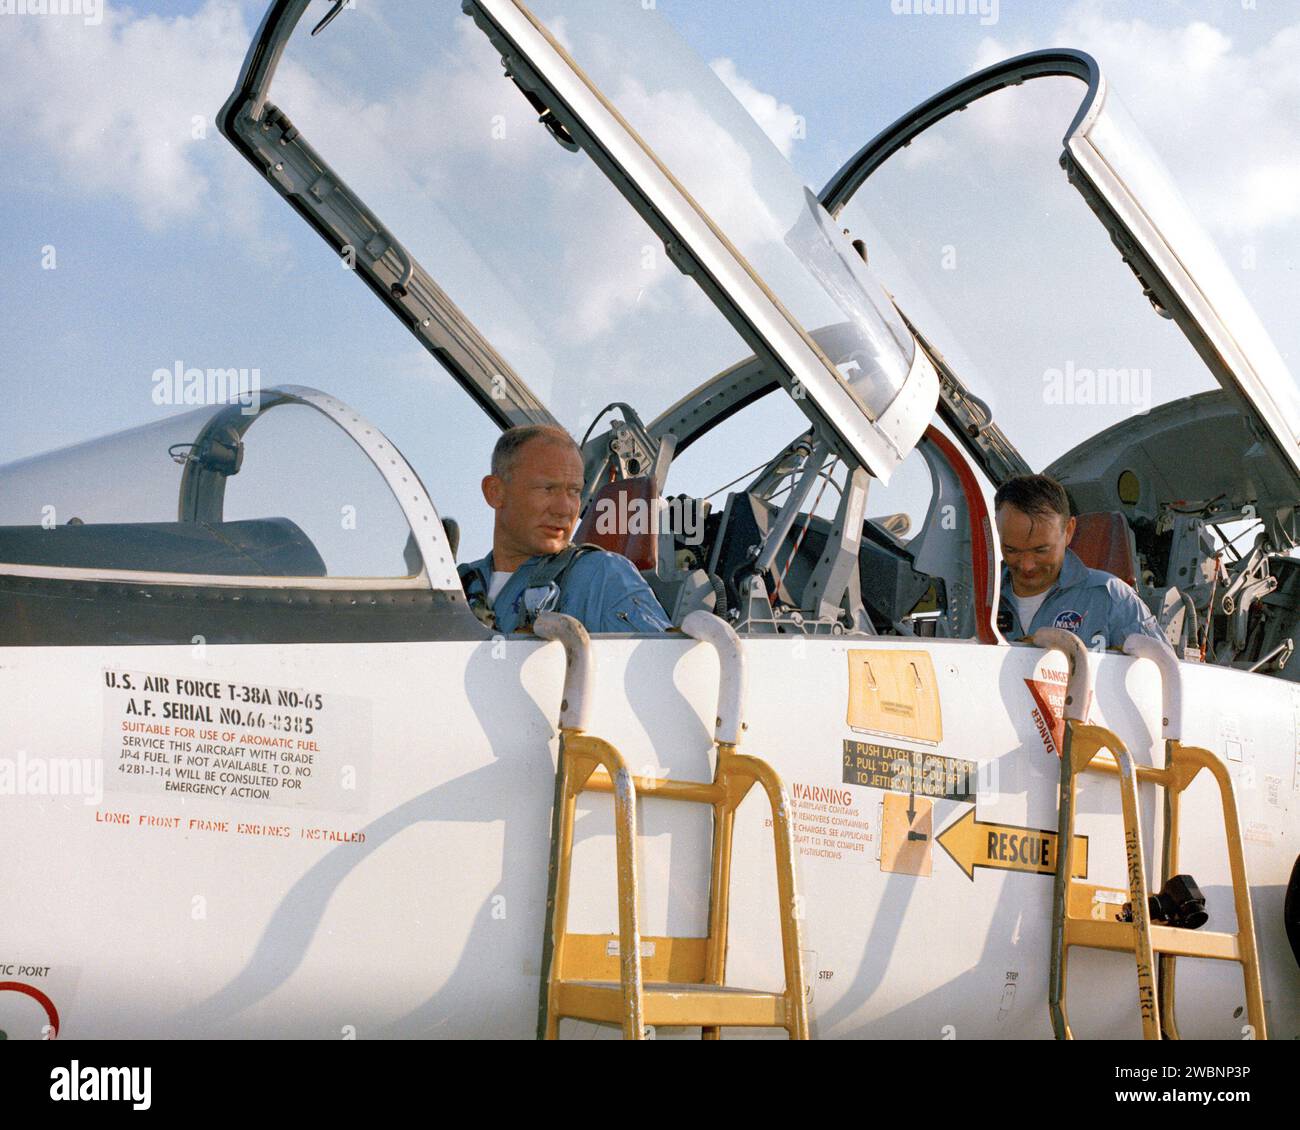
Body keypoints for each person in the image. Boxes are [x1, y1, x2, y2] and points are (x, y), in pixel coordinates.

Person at [458, 425, 672, 634]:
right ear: (495, 492)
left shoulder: (600, 577)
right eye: (547, 489)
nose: (564, 510)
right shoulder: (458, 585)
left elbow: (656, 661)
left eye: (574, 491)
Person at [995, 474, 1163, 650]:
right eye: (1012, 550)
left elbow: (1163, 670)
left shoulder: (1112, 600)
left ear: (1068, 531)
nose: (1026, 565)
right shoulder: (975, 599)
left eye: (1041, 550)